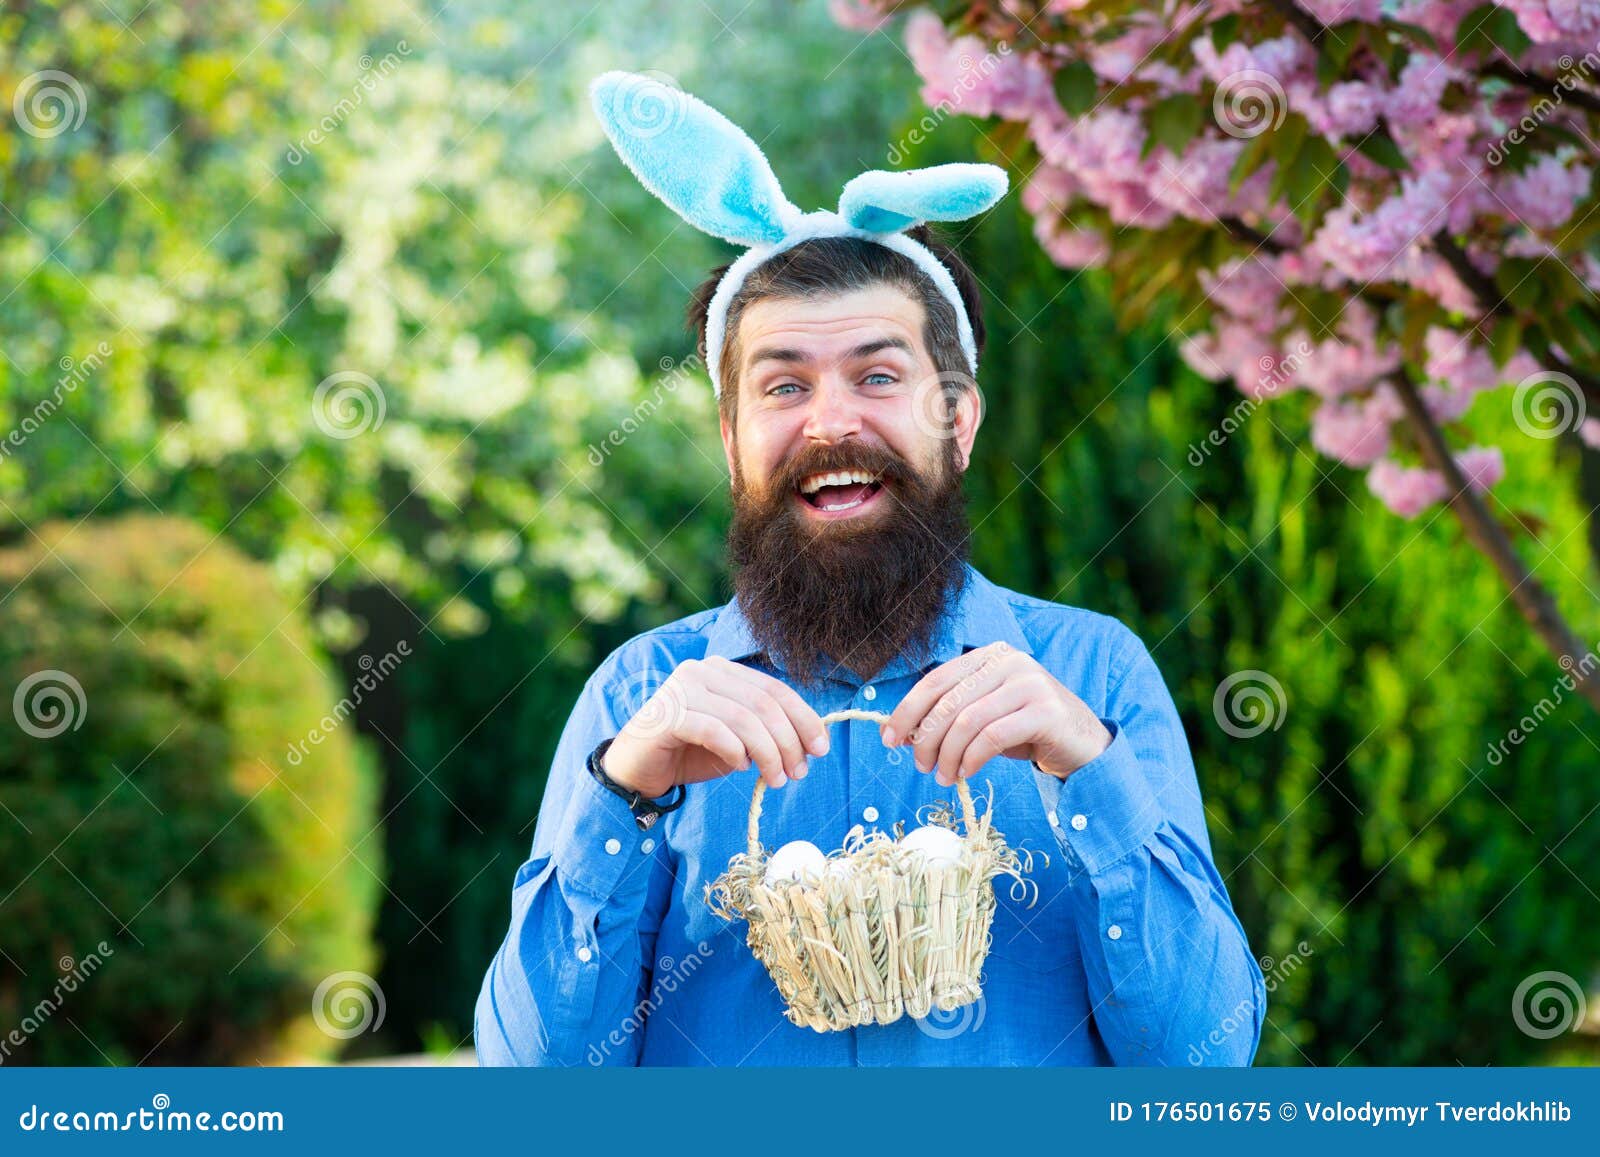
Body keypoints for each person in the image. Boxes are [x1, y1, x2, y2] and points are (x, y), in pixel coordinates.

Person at [473, 73, 1264, 1066]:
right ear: (730, 440)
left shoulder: (1094, 677)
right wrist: (624, 791)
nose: (831, 420)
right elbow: (534, 1078)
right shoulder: (636, 700)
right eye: (784, 384)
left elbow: (1201, 1062)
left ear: (957, 421)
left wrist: (1086, 763)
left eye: (878, 375)